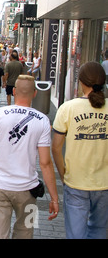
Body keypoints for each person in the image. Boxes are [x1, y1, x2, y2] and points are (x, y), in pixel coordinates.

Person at [0, 75, 59, 239]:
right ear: (34, 94)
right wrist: (54, 198)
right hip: (29, 190)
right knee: (26, 232)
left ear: (14, 91)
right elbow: (46, 163)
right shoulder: (43, 121)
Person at [51, 62, 108, 239]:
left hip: (75, 181)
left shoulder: (68, 108)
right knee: (99, 230)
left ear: (81, 82)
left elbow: (56, 148)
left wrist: (63, 174)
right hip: (104, 182)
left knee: (76, 234)